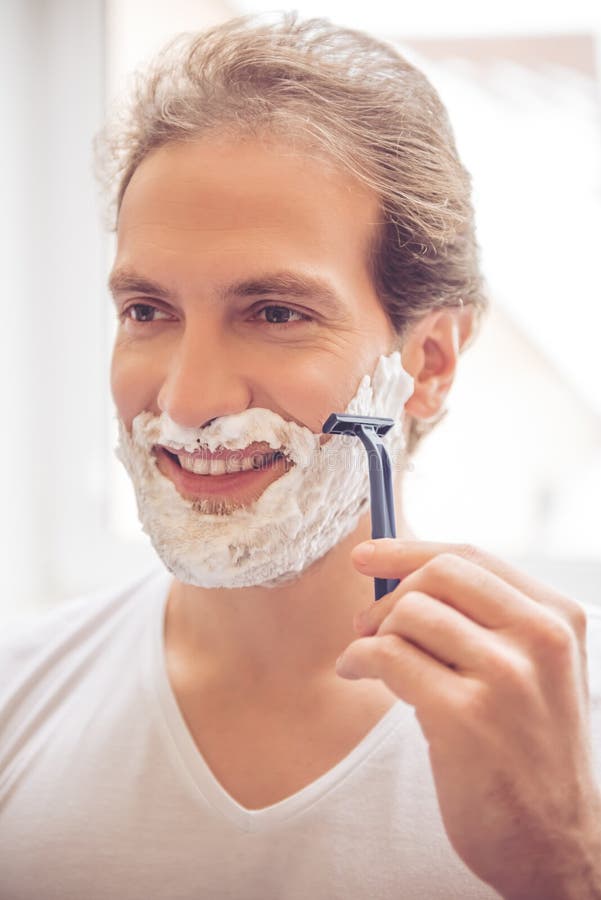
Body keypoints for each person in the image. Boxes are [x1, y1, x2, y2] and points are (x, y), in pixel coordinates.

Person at [1, 12, 600, 900]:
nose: (186, 401)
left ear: (426, 363)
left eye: (276, 312)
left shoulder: (569, 730)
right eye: (147, 311)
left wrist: (565, 863)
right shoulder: (19, 697)